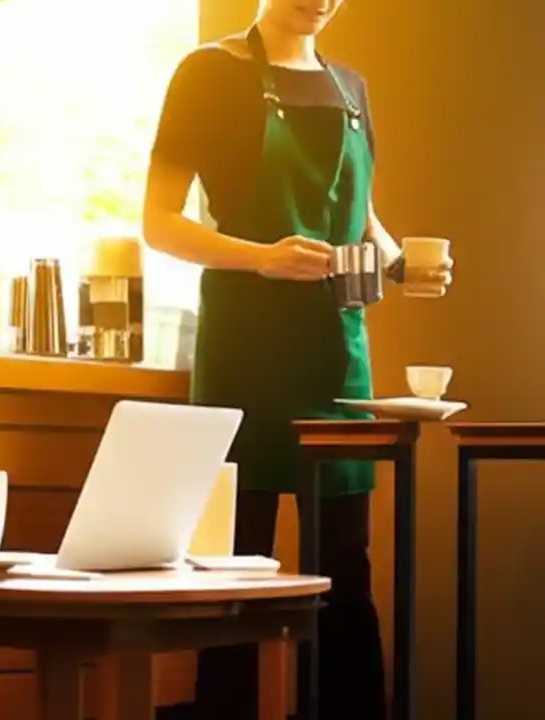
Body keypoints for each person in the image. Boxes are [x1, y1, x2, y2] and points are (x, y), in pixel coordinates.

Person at [143, 0, 451, 718]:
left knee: (345, 569)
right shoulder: (206, 73)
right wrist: (262, 258)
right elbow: (160, 223)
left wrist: (402, 263)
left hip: (336, 350)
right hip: (246, 347)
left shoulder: (351, 86)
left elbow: (360, 215)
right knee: (234, 566)